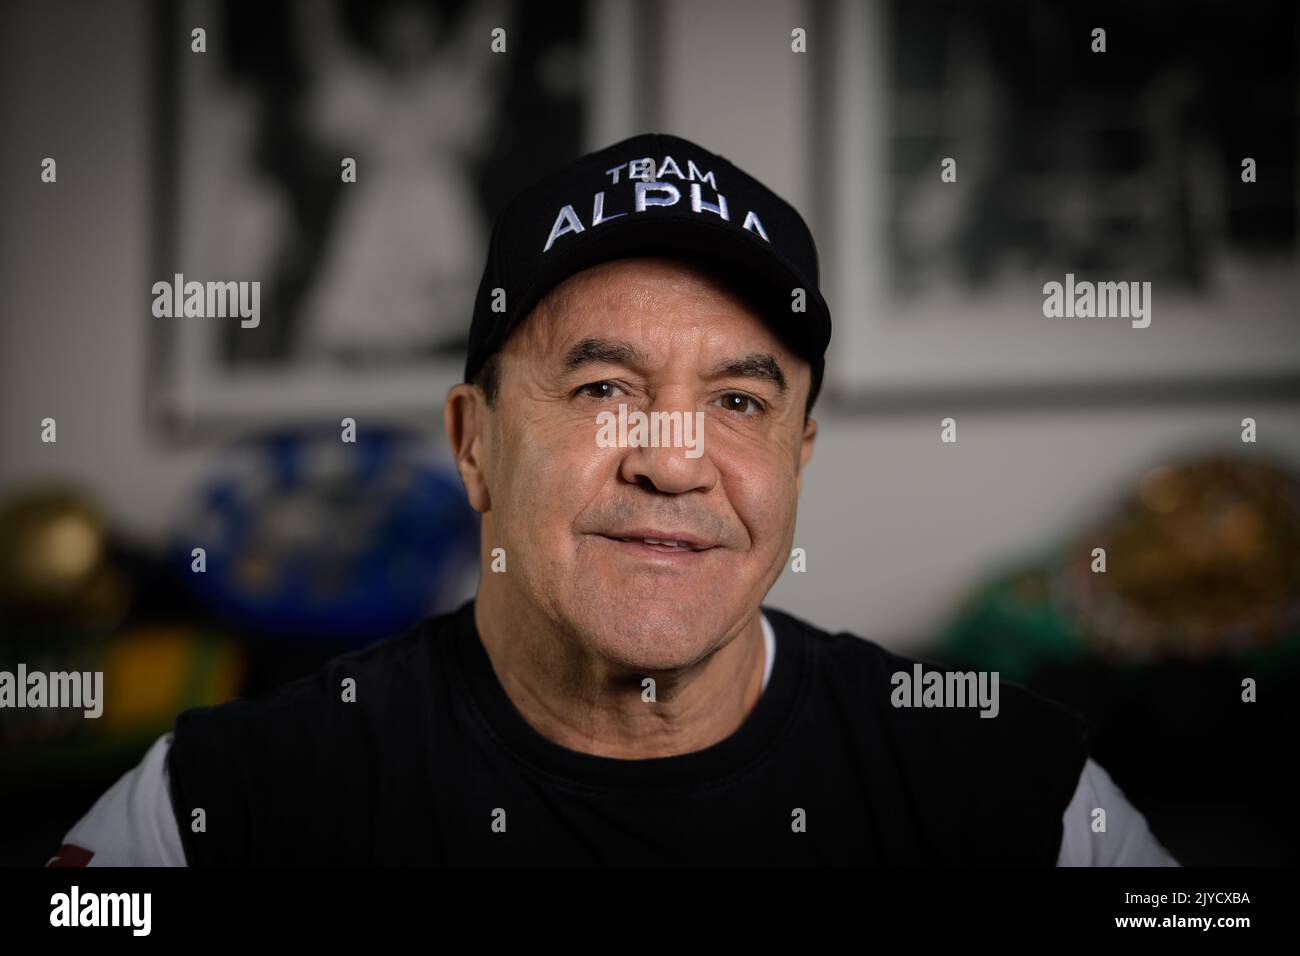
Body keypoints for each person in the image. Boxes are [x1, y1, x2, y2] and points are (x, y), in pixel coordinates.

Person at [48, 133, 1176, 867]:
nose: (673, 462)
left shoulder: (1017, 792)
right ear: (473, 441)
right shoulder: (219, 803)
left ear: (799, 454)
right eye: (602, 388)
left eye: (740, 402)